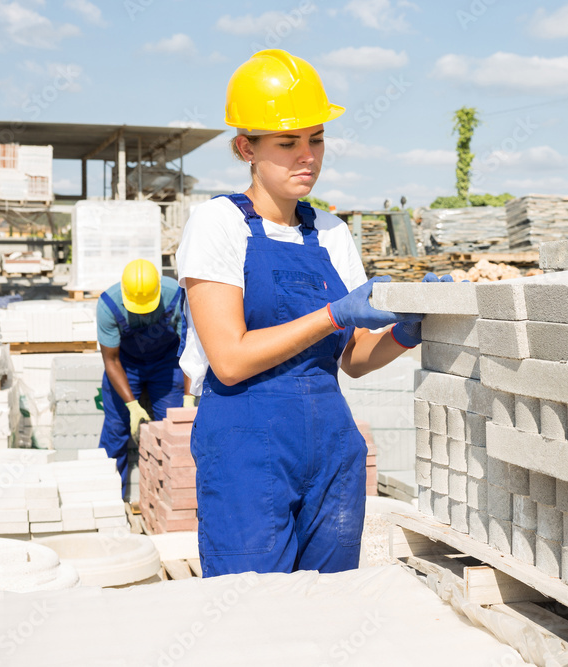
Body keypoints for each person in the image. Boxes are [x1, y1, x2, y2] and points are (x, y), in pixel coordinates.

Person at [176, 49, 428, 577]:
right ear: (245, 147)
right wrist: (334, 315)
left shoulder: (331, 232)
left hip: (330, 444)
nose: (306, 156)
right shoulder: (219, 224)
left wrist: (408, 331)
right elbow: (229, 360)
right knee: (252, 611)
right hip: (247, 439)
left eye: (316, 139)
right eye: (287, 142)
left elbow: (355, 359)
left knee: (328, 609)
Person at [97, 259, 192, 498]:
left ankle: (168, 501)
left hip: (166, 364)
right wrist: (132, 405)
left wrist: (189, 399)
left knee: (171, 429)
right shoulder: (108, 304)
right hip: (126, 365)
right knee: (116, 431)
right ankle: (109, 502)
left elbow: (190, 347)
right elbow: (111, 361)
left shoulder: (175, 296)